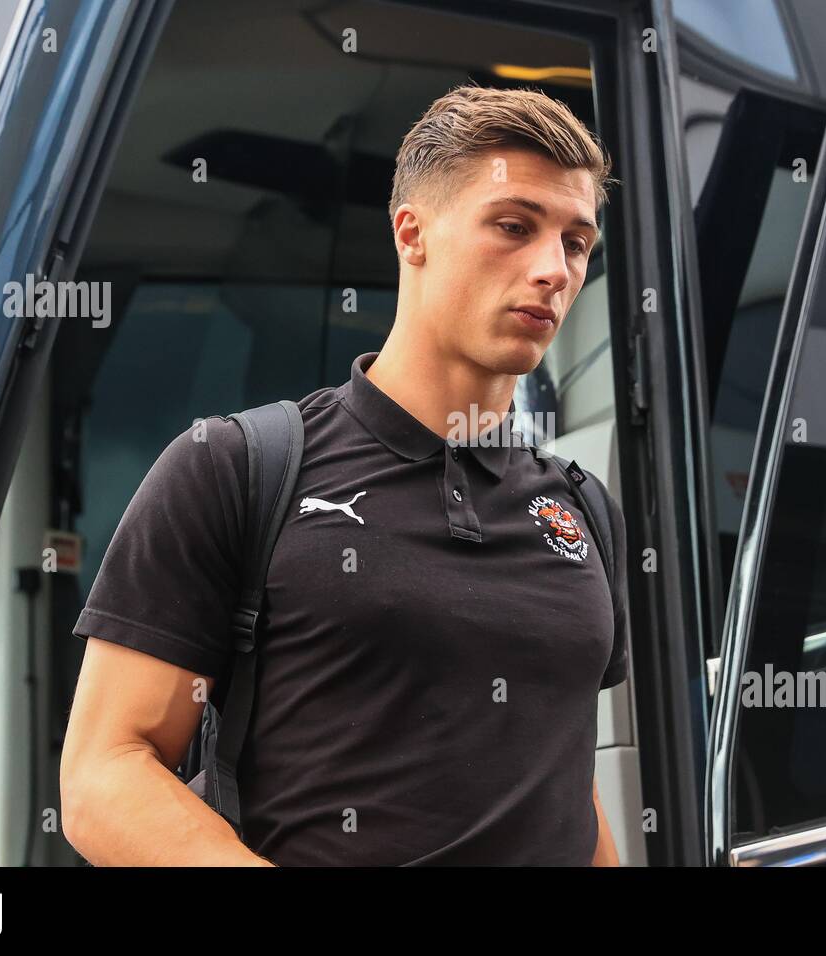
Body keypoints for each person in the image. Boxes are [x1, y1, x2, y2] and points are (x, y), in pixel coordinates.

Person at [61, 84, 628, 866]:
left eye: (574, 242)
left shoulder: (581, 507)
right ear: (412, 232)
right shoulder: (235, 468)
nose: (553, 269)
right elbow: (103, 774)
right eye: (513, 226)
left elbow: (566, 790)